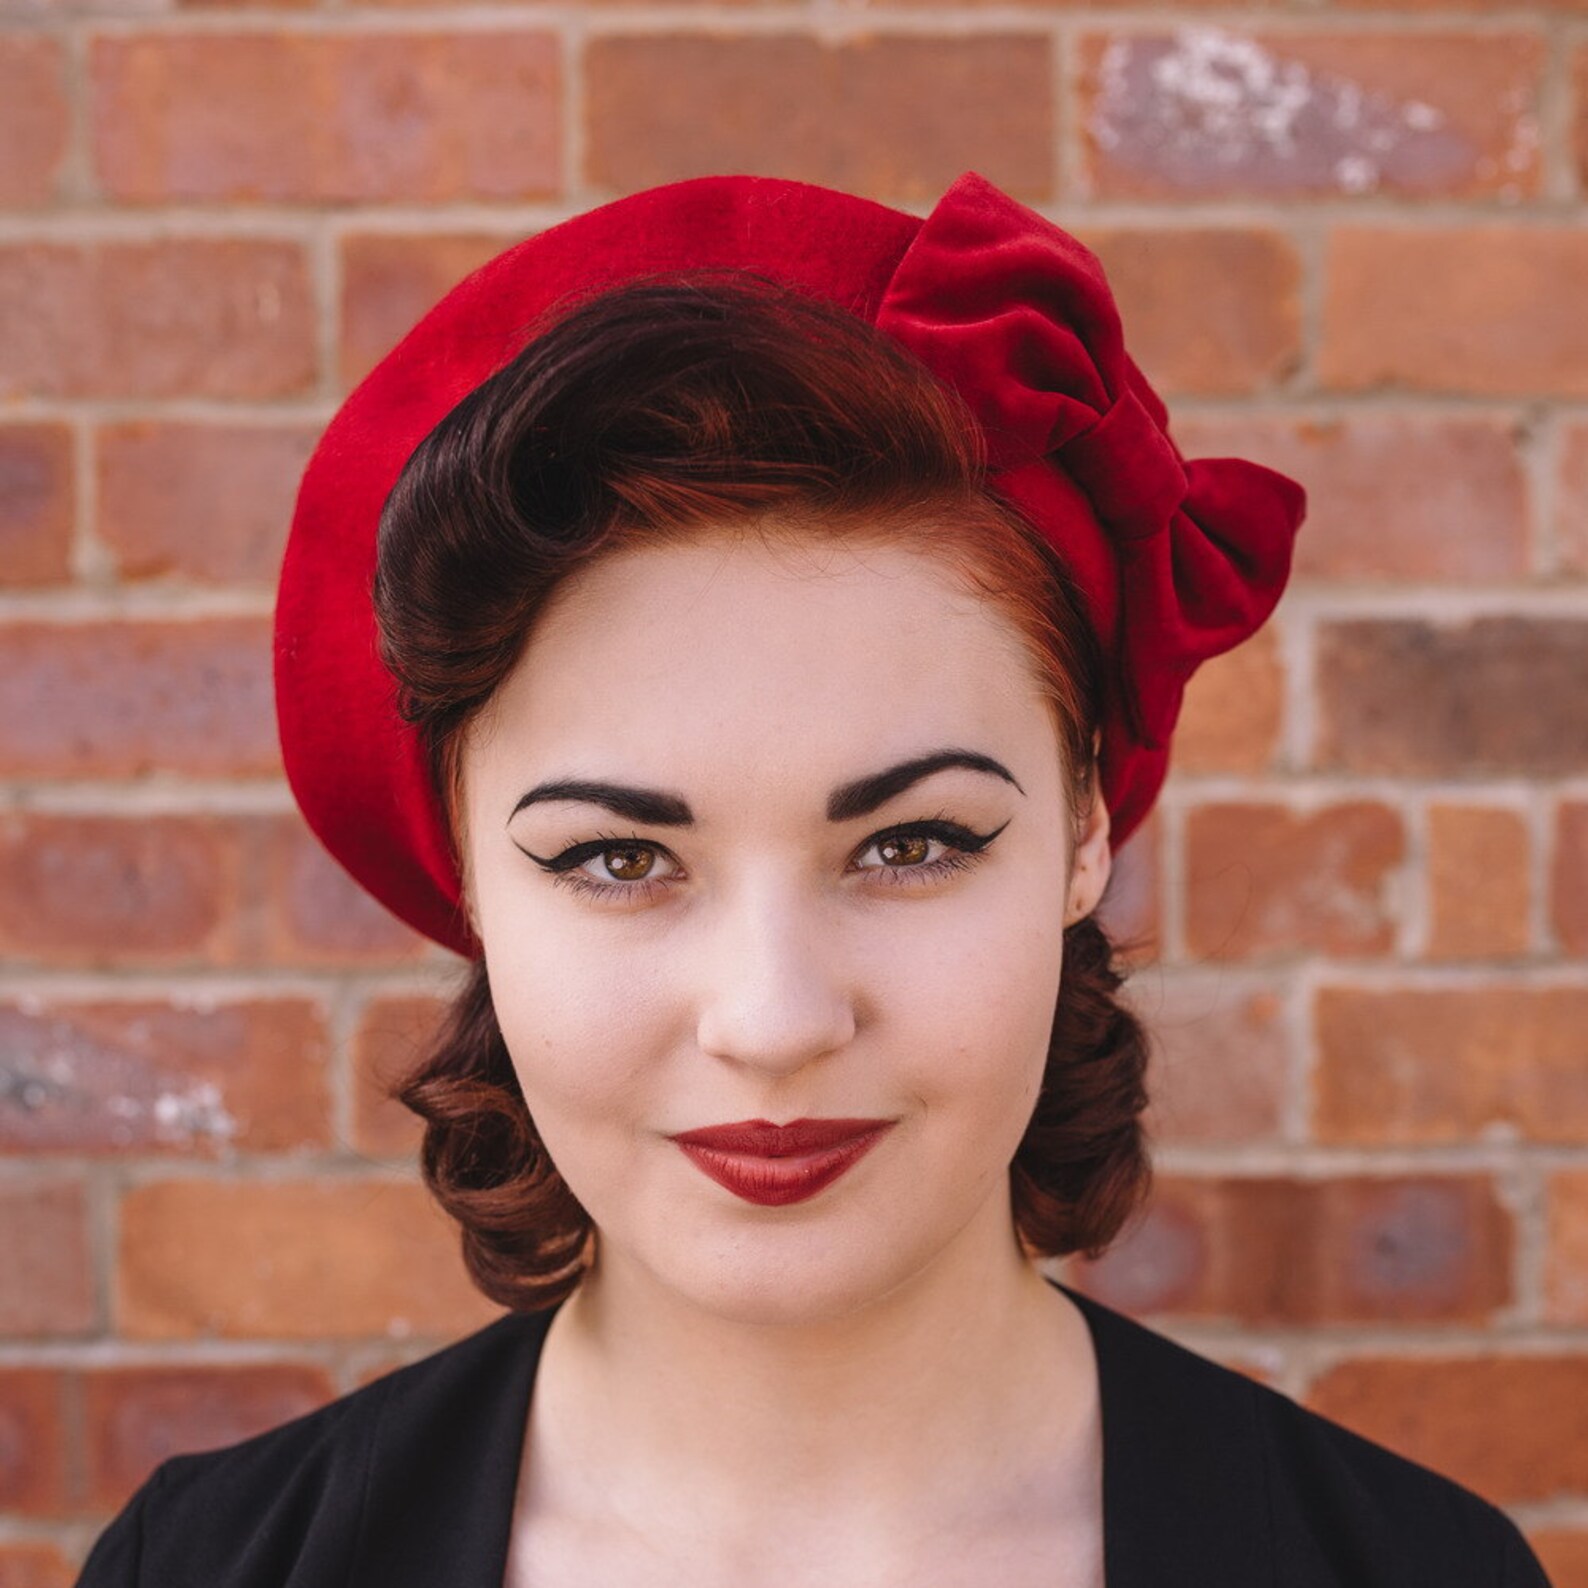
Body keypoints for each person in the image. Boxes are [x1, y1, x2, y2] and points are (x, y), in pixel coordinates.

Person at [75, 172, 1552, 1588]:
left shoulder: (1419, 1571)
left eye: (911, 845)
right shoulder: (206, 1570)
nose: (774, 1020)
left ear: (1087, 823)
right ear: (466, 874)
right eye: (619, 858)